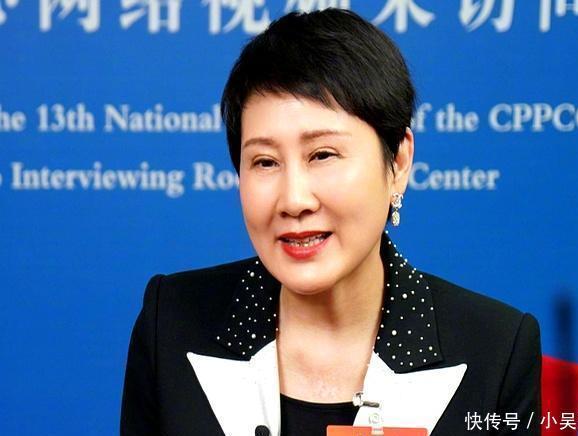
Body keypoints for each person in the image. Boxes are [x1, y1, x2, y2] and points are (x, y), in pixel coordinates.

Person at [120, 9, 541, 436]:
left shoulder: (495, 349)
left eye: (322, 155)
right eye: (265, 161)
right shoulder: (171, 322)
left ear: (398, 162)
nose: (294, 200)